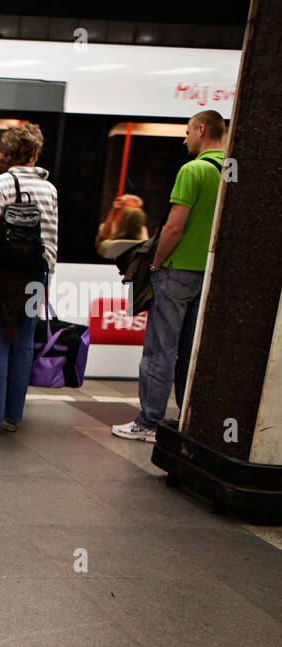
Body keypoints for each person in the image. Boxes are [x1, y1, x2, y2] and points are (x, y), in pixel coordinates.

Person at [113, 110, 226, 442]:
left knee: (160, 350)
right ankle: (187, 419)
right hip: (208, 275)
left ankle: (148, 422)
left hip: (177, 273)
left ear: (202, 130)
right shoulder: (230, 171)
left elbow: (174, 227)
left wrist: (155, 264)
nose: (185, 138)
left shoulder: (193, 170)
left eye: (188, 131)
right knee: (190, 352)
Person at [0, 122, 58, 437]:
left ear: (9, 154)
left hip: (3, 276)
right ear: (34, 154)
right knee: (24, 344)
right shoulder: (50, 189)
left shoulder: (0, 184)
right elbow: (52, 239)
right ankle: (11, 416)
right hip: (35, 275)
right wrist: (47, 278)